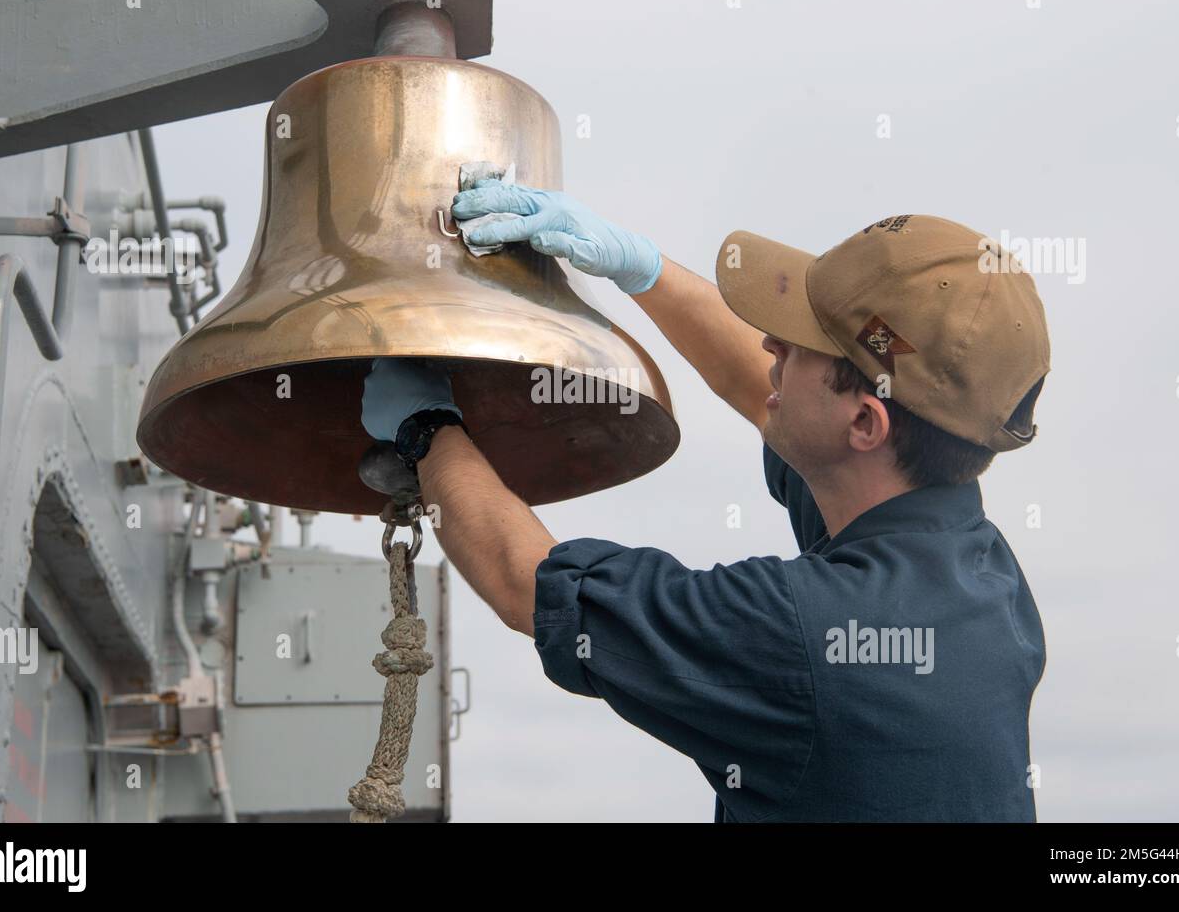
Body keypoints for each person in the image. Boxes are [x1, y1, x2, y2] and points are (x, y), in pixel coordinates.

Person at [361, 183, 1051, 821]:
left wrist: (426, 432)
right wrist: (640, 269)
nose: (772, 344)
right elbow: (766, 393)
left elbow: (526, 584)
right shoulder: (977, 567)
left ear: (866, 424)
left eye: (803, 343)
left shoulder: (802, 636)